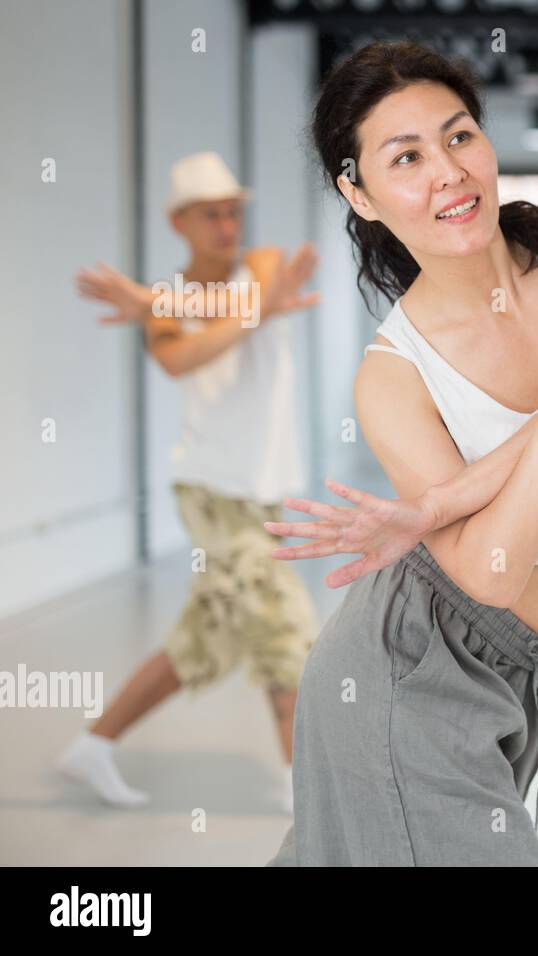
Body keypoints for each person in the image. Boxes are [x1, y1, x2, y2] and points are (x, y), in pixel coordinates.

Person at [262, 41, 538, 866]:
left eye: (459, 136)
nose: (448, 171)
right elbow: (493, 571)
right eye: (405, 156)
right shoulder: (393, 375)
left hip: (518, 676)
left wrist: (445, 501)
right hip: (408, 671)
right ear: (358, 193)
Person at [58, 151, 321, 813]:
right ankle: (306, 789)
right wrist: (188, 307)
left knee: (203, 641)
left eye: (233, 211)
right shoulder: (177, 304)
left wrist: (155, 303)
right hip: (211, 489)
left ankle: (92, 747)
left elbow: (252, 299)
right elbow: (187, 358)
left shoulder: (261, 267)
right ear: (180, 222)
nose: (228, 224)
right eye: (212, 214)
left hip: (261, 490)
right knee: (284, 626)